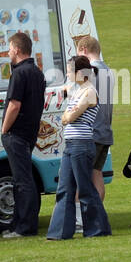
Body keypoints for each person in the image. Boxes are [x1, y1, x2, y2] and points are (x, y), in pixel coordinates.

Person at [46, 56, 112, 240]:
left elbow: (70, 117)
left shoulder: (90, 92)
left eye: (69, 70)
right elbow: (67, 115)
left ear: (80, 73)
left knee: (85, 188)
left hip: (82, 145)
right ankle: (60, 232)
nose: (67, 74)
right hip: (71, 145)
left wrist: (68, 116)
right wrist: (68, 115)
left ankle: (98, 228)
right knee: (64, 187)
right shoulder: (78, 91)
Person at [1, 31, 46, 239]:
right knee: (23, 179)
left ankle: (25, 227)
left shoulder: (19, 73)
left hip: (17, 132)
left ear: (17, 50)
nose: (8, 52)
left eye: (10, 48)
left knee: (22, 181)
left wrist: (4, 128)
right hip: (29, 132)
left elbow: (14, 104)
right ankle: (18, 223)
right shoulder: (37, 72)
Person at [76, 35, 114, 212]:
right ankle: (97, 213)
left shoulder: (90, 72)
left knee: (80, 177)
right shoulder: (109, 71)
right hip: (105, 131)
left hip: (91, 132)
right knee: (97, 173)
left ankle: (78, 217)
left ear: (84, 50)